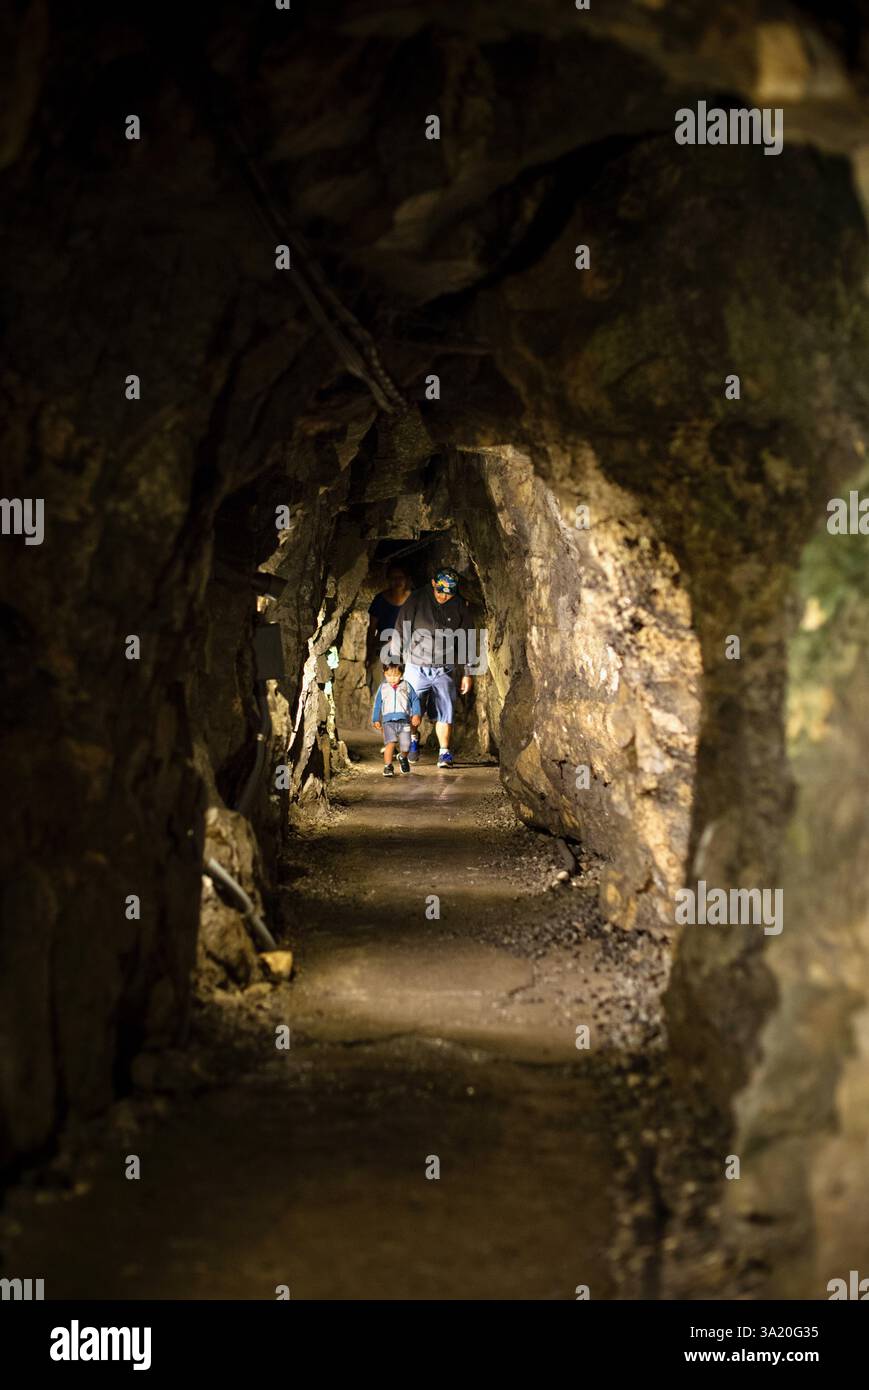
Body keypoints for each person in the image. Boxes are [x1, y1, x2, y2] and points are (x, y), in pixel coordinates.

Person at [392, 567, 475, 770]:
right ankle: (413, 738)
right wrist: (395, 662)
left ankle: (444, 752)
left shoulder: (459, 605)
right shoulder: (417, 599)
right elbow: (400, 629)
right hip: (416, 665)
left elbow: (468, 639)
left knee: (445, 711)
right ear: (432, 583)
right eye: (440, 591)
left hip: (444, 667)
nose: (443, 596)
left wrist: (468, 672)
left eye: (448, 593)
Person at [371, 661, 422, 777]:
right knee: (390, 743)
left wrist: (416, 714)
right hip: (388, 722)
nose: (392, 678)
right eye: (389, 675)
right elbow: (378, 704)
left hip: (404, 721)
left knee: (406, 745)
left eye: (396, 675)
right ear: (384, 673)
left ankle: (402, 756)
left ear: (402, 674)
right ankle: (388, 766)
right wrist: (376, 719)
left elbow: (415, 700)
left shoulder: (407, 686)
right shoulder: (383, 688)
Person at [366, 562, 413, 678]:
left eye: (400, 578)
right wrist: (369, 653)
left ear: (406, 579)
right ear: (388, 580)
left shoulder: (414, 599)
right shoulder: (380, 600)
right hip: (383, 648)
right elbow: (372, 629)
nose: (397, 581)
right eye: (393, 578)